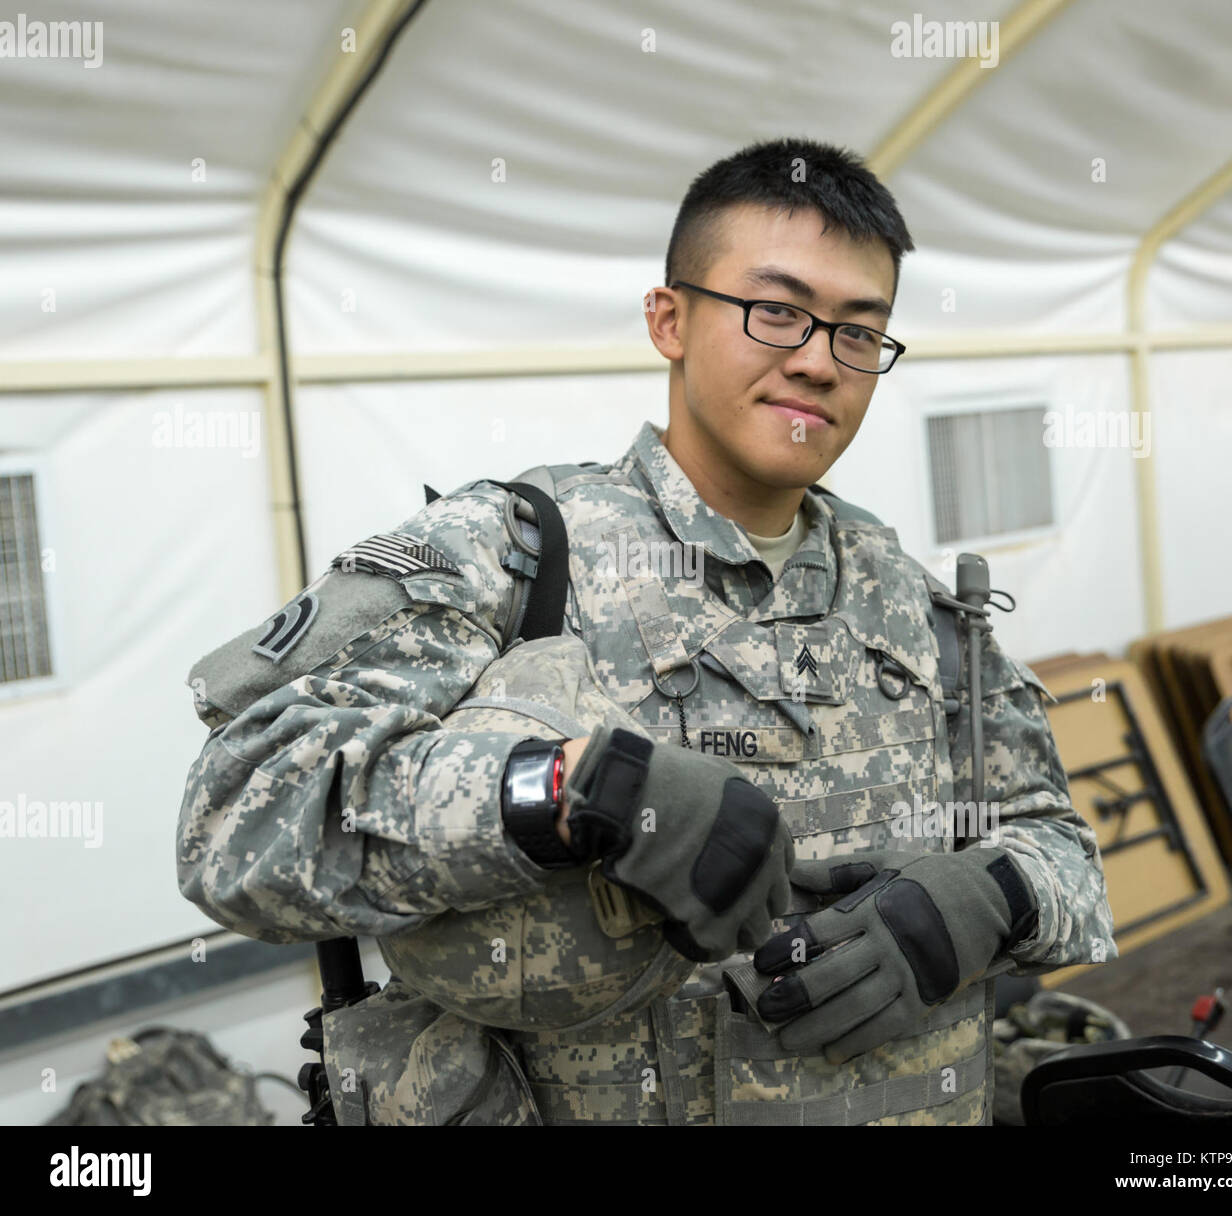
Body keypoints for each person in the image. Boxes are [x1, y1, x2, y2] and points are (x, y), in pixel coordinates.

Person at [177, 136, 1117, 1125]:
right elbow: (234, 823)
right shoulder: (515, 556)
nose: (816, 359)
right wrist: (574, 793)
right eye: (776, 311)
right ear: (668, 319)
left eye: (857, 331)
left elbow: (1063, 850)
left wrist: (982, 901)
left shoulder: (919, 607)